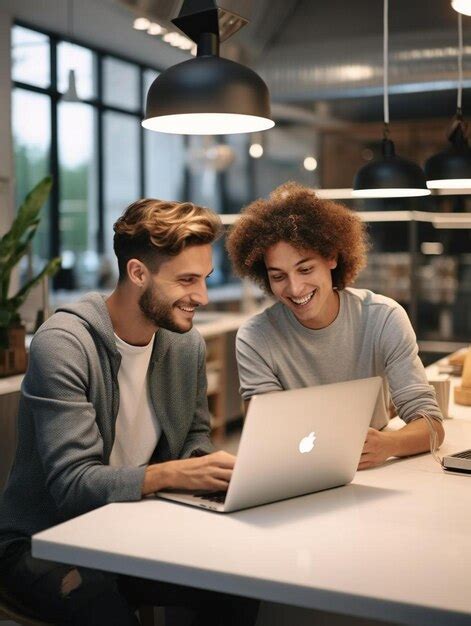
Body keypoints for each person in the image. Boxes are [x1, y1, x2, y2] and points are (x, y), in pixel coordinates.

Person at [0, 198, 259, 626]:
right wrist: (174, 475)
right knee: (100, 603)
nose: (202, 296)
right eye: (187, 280)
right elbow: (72, 484)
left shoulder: (184, 343)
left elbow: (194, 438)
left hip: (129, 528)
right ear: (138, 273)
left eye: (206, 279)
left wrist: (209, 472)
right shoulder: (64, 343)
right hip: (41, 539)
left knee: (237, 582)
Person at [226, 182, 444, 469]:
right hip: (295, 473)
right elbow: (265, 436)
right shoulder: (256, 337)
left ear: (332, 257)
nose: (294, 287)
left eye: (305, 269)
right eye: (278, 276)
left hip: (374, 472)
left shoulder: (382, 318)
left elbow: (431, 425)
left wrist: (389, 445)